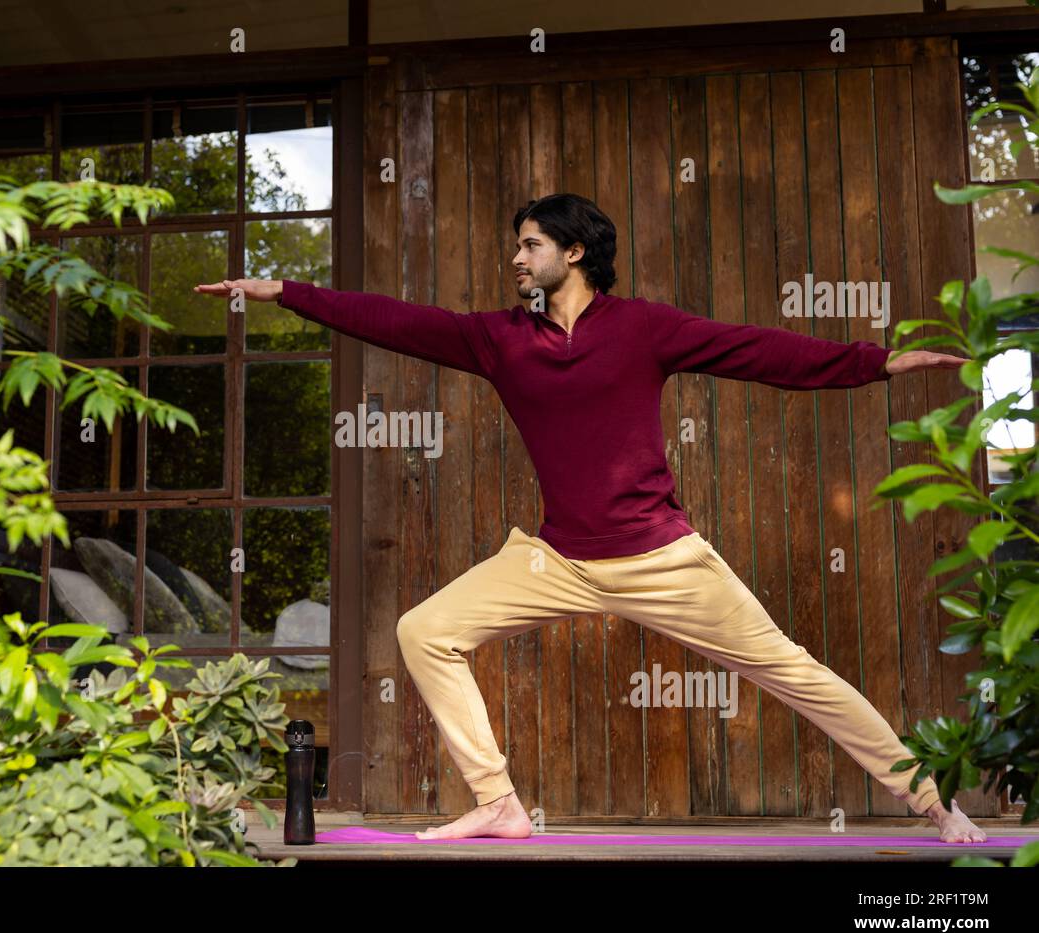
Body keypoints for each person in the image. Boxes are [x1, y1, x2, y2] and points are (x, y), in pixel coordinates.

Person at [193, 192, 987, 844]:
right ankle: (499, 801)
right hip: (559, 558)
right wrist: (285, 292)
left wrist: (878, 362)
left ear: (573, 253)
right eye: (516, 245)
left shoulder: (644, 327)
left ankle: (933, 804)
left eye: (530, 243)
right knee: (423, 629)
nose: (516, 257)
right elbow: (395, 321)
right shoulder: (499, 339)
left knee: (793, 670)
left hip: (660, 556)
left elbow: (762, 352)